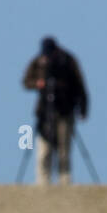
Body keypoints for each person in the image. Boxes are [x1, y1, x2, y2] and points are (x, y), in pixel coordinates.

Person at [22, 37, 88, 185]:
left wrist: (82, 108)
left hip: (65, 110)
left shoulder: (68, 61)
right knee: (44, 149)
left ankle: (65, 182)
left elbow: (80, 86)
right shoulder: (39, 61)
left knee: (64, 149)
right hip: (45, 112)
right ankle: (43, 183)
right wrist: (38, 83)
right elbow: (26, 81)